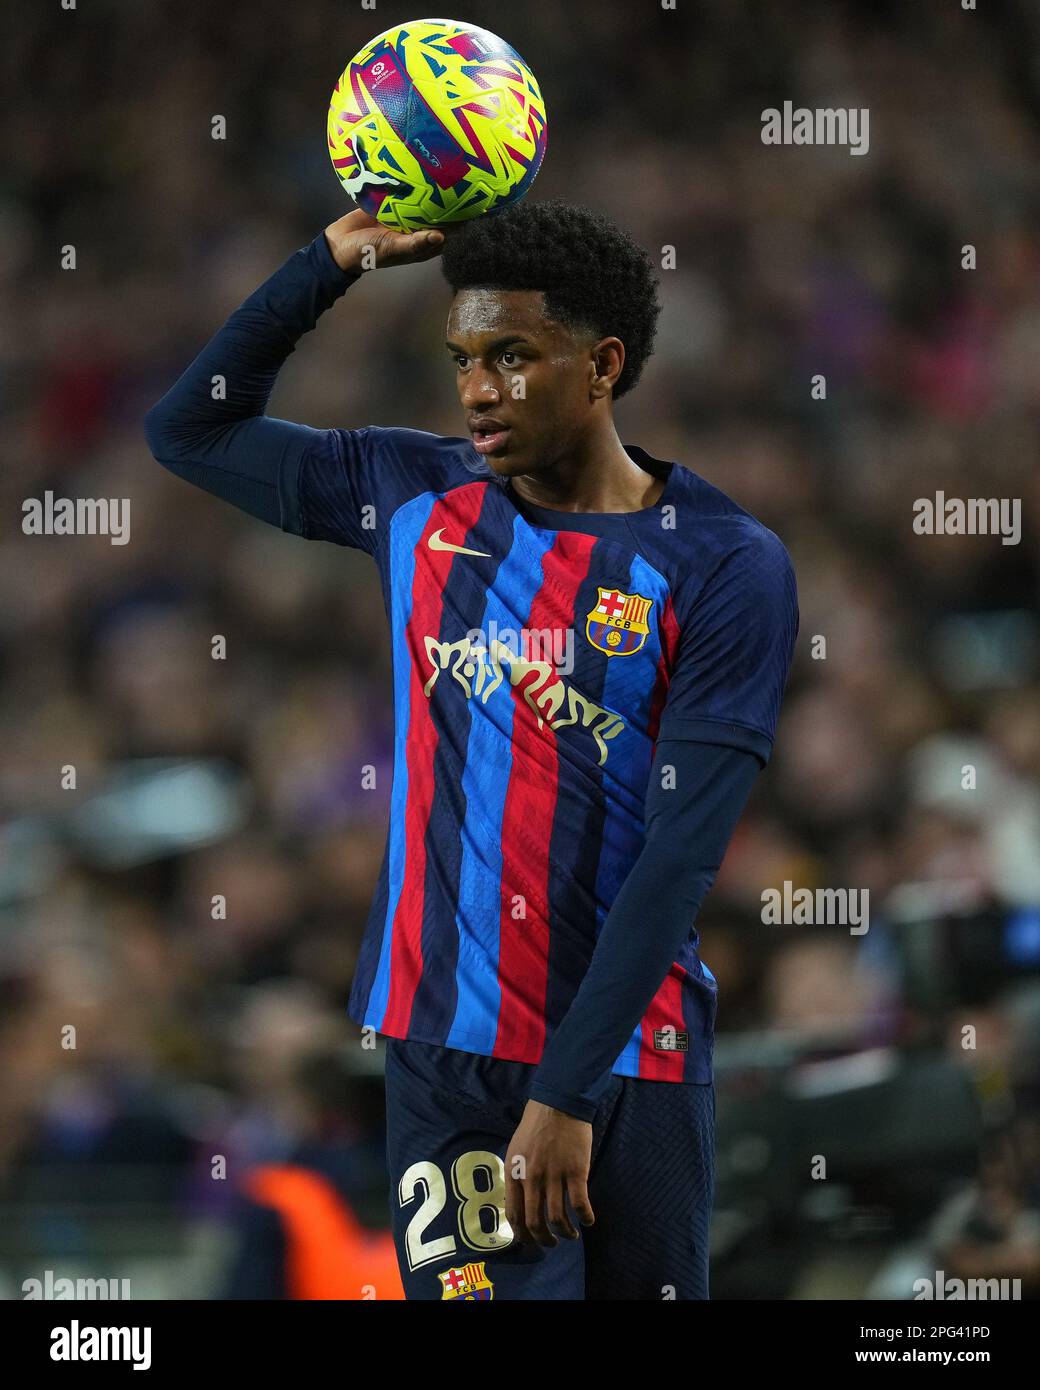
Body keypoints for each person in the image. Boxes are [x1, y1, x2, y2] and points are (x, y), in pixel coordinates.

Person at [144, 199, 798, 1300]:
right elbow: (189, 431)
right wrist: (327, 264)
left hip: (632, 1059)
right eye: (461, 360)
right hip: (446, 1054)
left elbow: (679, 857)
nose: (478, 390)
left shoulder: (725, 565)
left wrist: (566, 1094)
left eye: (512, 357)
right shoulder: (409, 492)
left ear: (601, 365)